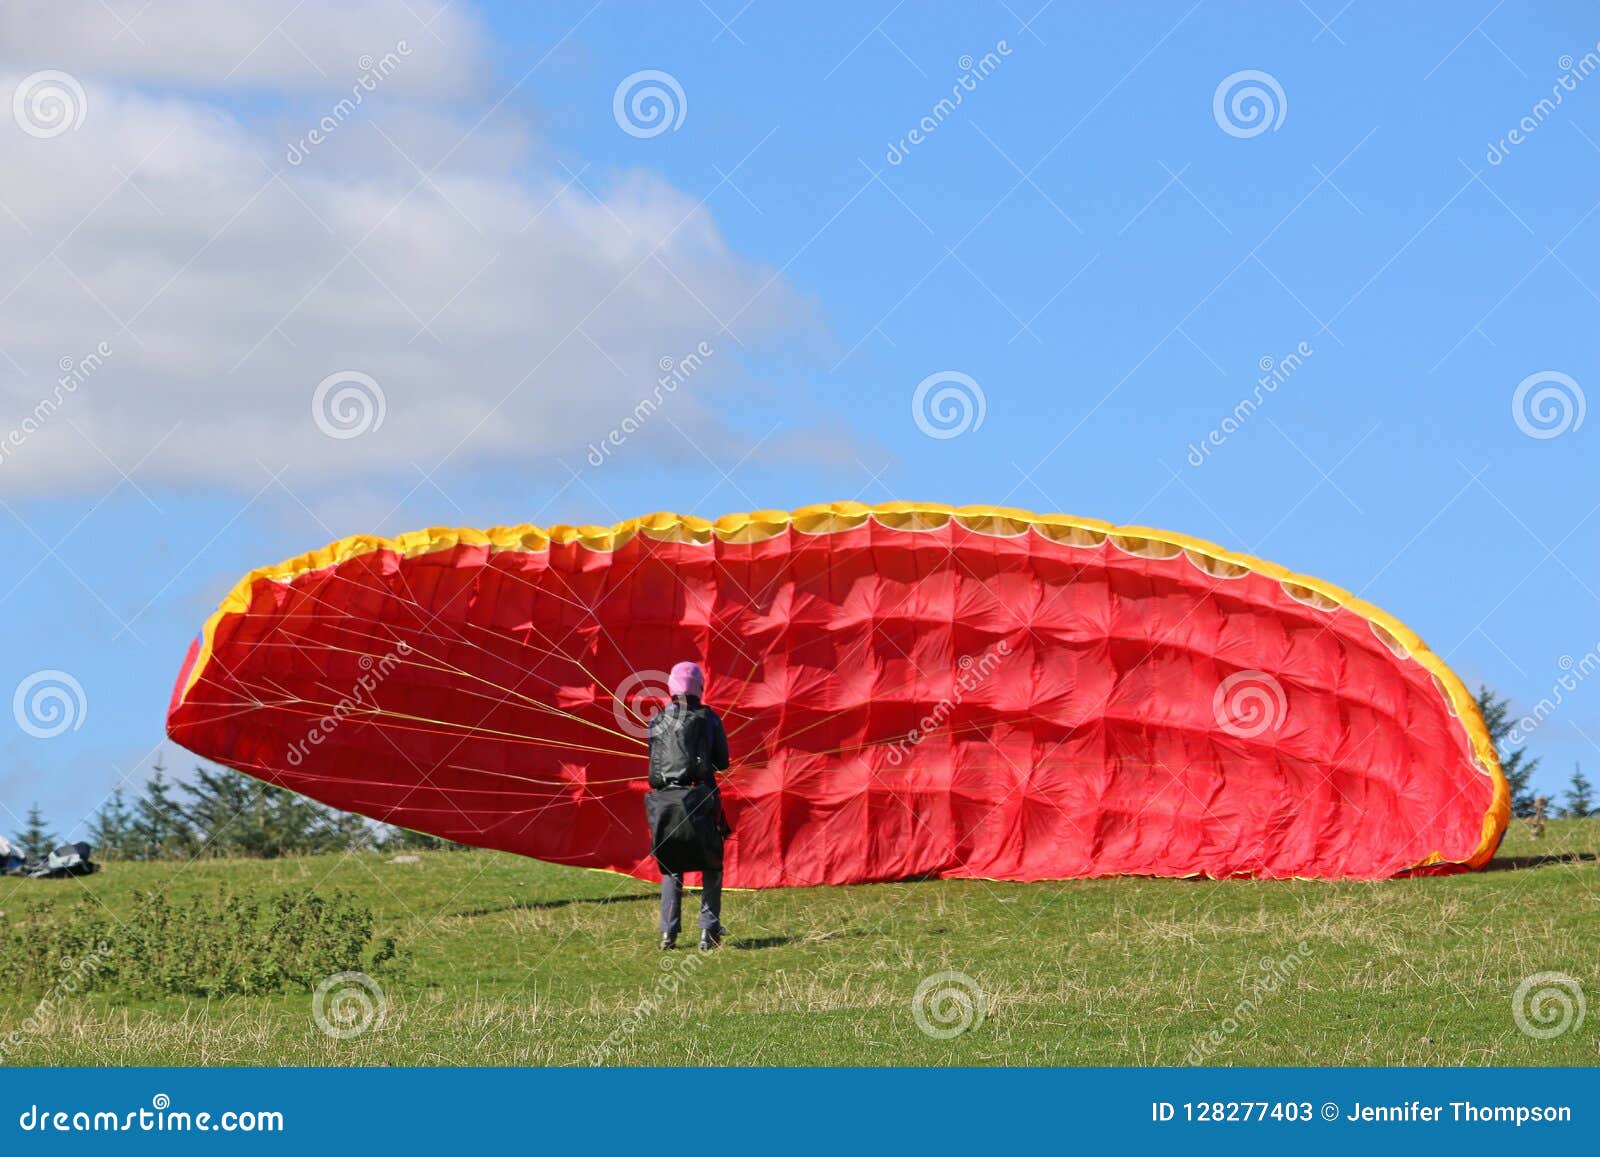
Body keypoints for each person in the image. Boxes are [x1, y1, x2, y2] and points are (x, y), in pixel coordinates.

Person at [643, 660, 731, 951]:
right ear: (699, 688)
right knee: (712, 864)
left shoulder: (656, 721)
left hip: (665, 802)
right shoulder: (709, 719)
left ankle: (668, 934)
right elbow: (722, 762)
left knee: (672, 865)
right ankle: (709, 930)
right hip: (698, 799)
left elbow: (653, 761)